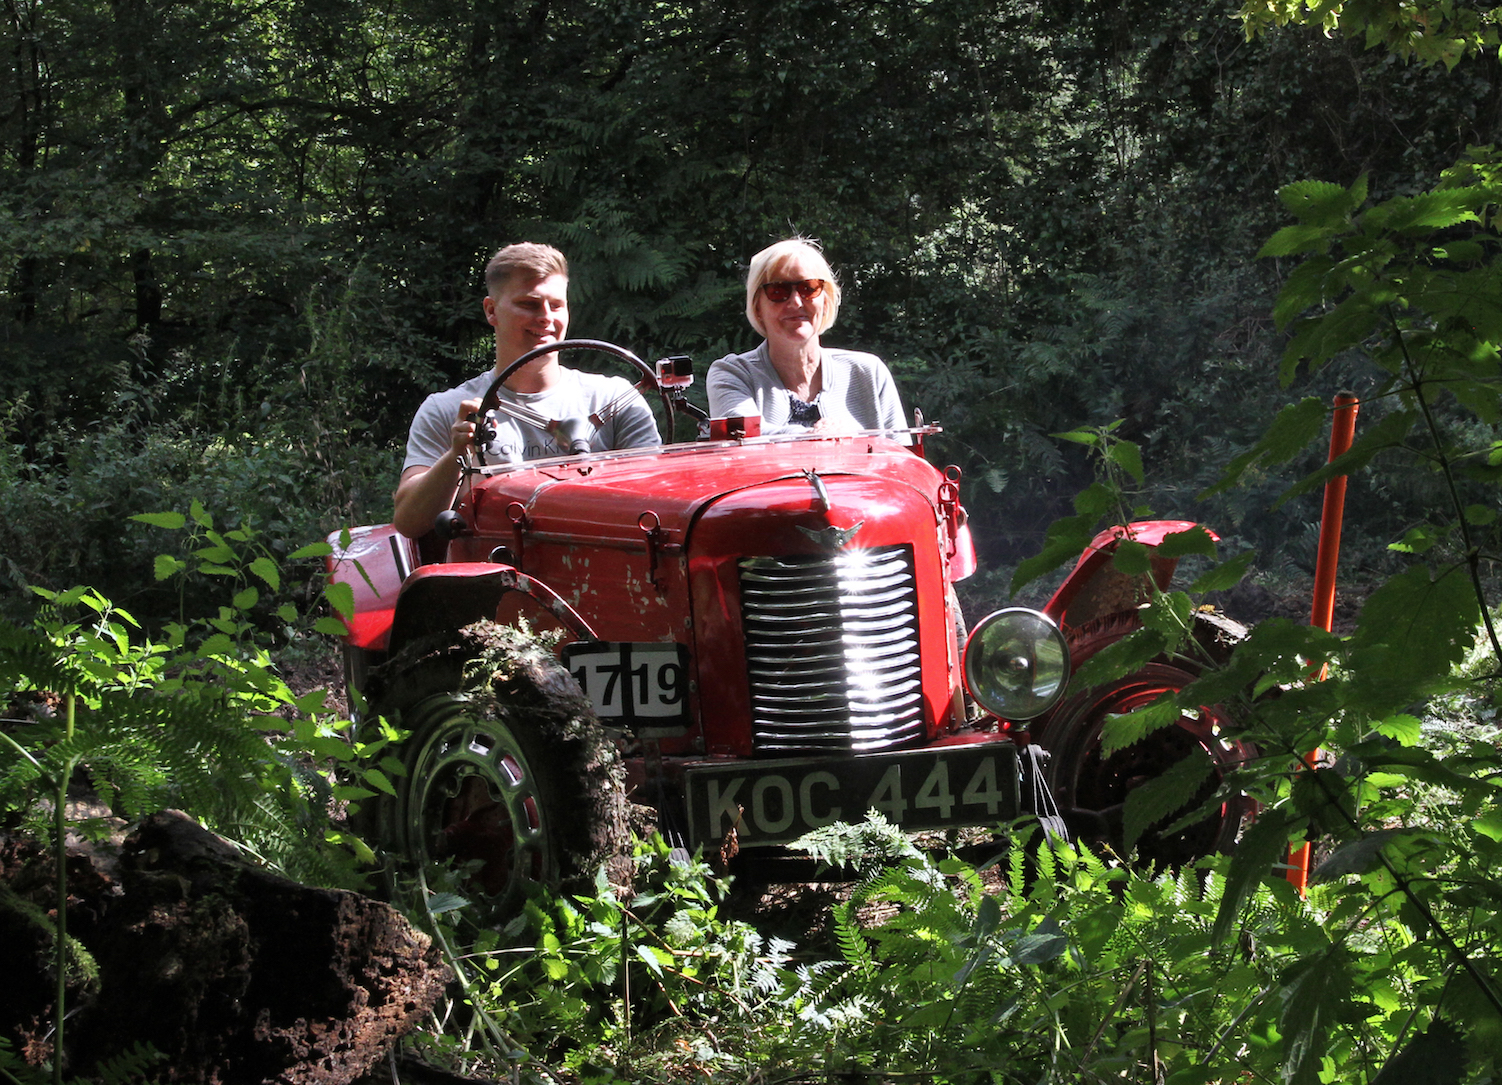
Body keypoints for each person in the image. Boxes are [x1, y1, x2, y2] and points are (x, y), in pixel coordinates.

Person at [393, 243, 661, 538]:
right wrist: (458, 453)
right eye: (530, 304)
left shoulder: (615, 399)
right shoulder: (448, 410)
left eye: (556, 305)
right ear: (491, 311)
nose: (546, 317)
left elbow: (657, 500)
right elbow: (408, 522)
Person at [706, 238, 907, 437]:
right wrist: (817, 436)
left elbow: (903, 460)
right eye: (778, 290)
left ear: (826, 301)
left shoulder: (867, 373)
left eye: (808, 288)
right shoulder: (732, 375)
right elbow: (744, 437)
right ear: (757, 306)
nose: (795, 302)